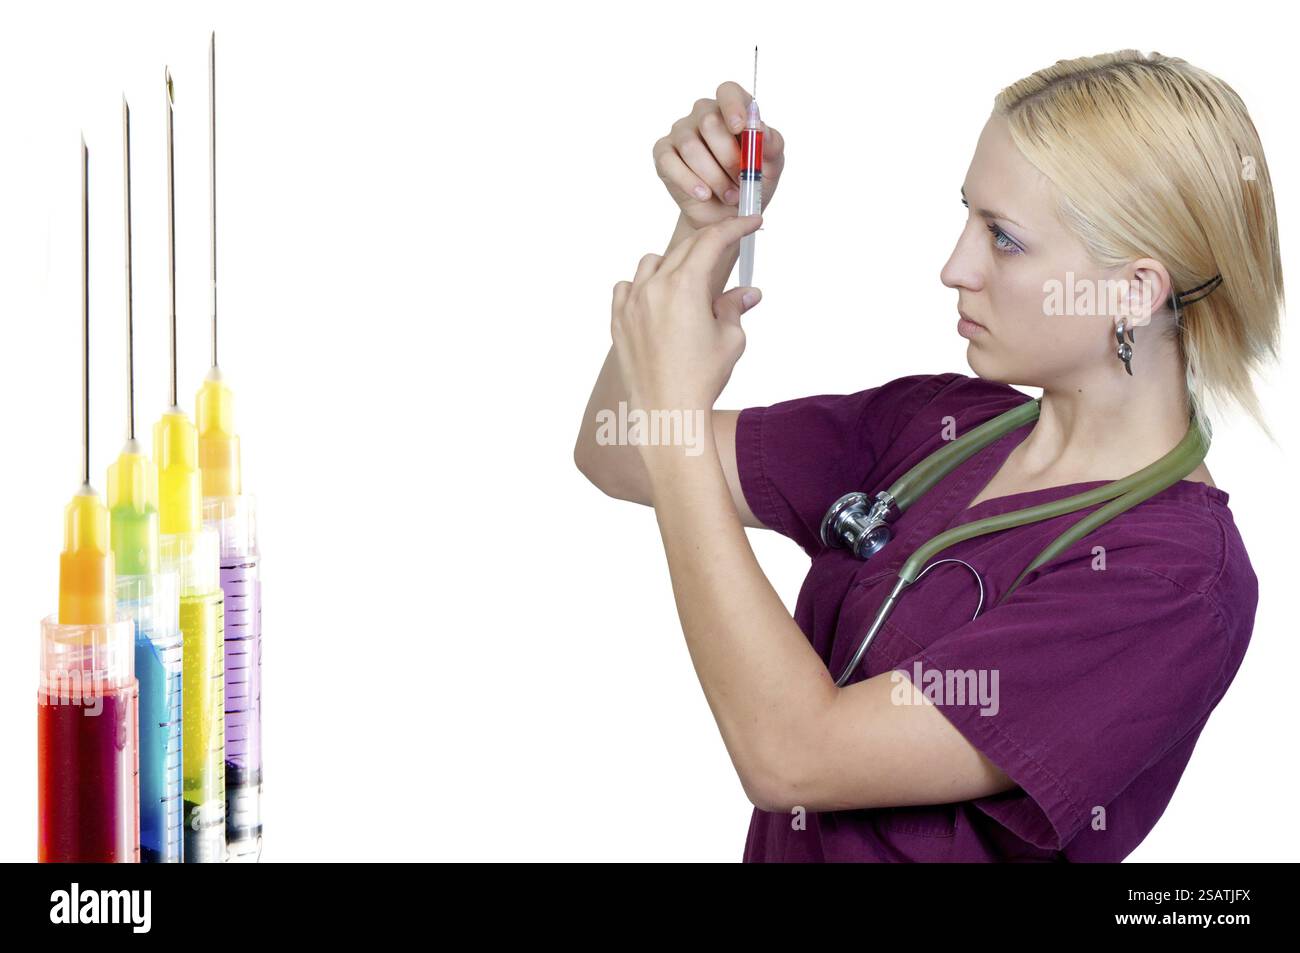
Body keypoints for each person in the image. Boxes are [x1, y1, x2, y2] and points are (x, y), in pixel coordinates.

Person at [574, 50, 1282, 862]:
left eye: (1004, 239)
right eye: (967, 216)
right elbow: (619, 450)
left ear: (1134, 290)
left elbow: (794, 755)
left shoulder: (1172, 581)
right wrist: (705, 230)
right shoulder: (938, 426)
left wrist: (675, 403)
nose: (955, 268)